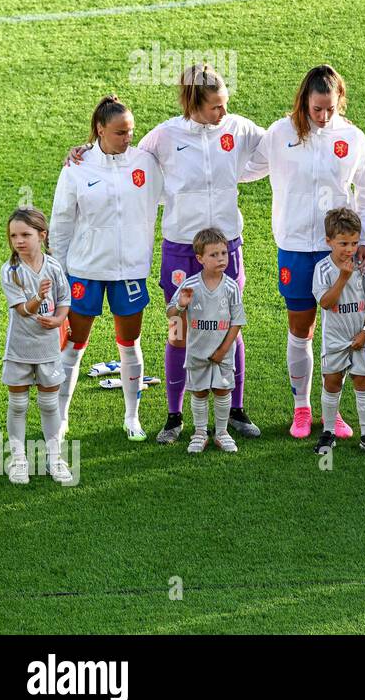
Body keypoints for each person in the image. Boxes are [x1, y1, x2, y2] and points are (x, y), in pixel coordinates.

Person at [63, 63, 267, 443]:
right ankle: (174, 418)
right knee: (178, 330)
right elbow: (126, 163)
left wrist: (237, 171)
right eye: (215, 106)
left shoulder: (237, 128)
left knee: (230, 327)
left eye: (224, 104)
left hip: (227, 247)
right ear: (193, 103)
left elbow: (274, 151)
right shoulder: (165, 136)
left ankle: (236, 410)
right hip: (181, 250)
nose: (223, 112)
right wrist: (85, 153)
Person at [241, 65, 365, 439]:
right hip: (296, 247)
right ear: (304, 101)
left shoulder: (352, 137)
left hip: (338, 250)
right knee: (301, 329)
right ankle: (302, 408)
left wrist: (364, 240)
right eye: (317, 108)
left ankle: (331, 413)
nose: (323, 116)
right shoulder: (281, 133)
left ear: (339, 102)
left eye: (330, 108)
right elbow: (246, 168)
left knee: (339, 329)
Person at [50, 95, 164, 442]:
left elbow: (176, 191)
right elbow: (62, 220)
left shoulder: (145, 162)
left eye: (130, 131)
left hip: (129, 269)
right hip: (84, 269)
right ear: (100, 130)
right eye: (119, 133)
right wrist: (58, 270)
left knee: (129, 343)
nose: (127, 138)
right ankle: (61, 418)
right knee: (74, 345)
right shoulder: (77, 167)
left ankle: (132, 418)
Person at [1, 208, 72, 484]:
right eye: (14, 236)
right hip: (19, 348)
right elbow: (22, 310)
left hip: (47, 348)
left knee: (49, 403)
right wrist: (38, 296)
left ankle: (55, 458)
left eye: (25, 235)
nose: (19, 241)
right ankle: (18, 459)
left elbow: (65, 300)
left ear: (42, 235)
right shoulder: (10, 270)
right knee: (18, 404)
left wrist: (58, 320)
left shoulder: (53, 267)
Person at [311, 208, 365, 457]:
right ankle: (328, 431)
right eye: (343, 243)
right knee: (332, 381)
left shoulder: (363, 267)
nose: (350, 249)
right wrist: (343, 277)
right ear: (328, 241)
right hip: (335, 339)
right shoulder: (322, 269)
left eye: (354, 242)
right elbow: (326, 302)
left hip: (361, 338)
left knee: (363, 382)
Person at [167, 228, 246, 454]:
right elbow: (171, 314)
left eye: (223, 253)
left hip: (222, 354)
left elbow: (237, 323)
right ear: (200, 258)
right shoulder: (190, 285)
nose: (221, 258)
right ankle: (200, 432)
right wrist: (181, 304)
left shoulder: (231, 287)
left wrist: (223, 350)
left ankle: (222, 433)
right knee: (199, 392)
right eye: (214, 255)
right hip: (197, 353)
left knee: (222, 392)